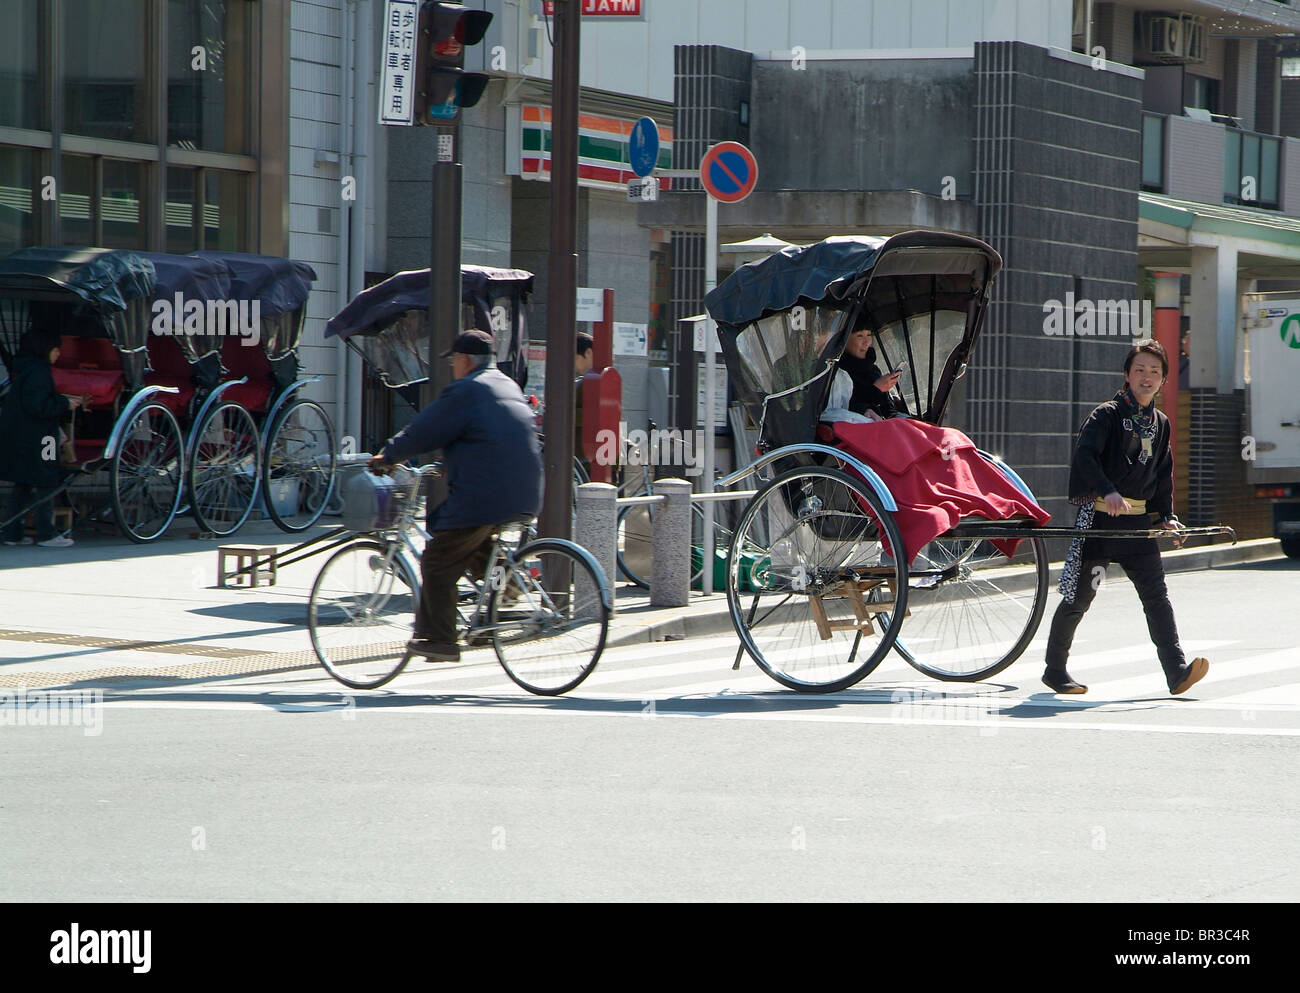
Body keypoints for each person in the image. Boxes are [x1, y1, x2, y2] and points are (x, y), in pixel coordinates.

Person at [1045, 339, 1208, 696]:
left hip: (1137, 527)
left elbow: (1163, 473)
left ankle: (1176, 671)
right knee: (1079, 597)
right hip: (1101, 524)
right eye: (1140, 370)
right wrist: (1107, 490)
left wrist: (1166, 516)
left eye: (1155, 371)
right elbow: (1085, 456)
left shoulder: (1160, 423)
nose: (1147, 377)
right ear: (1127, 375)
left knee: (1157, 597)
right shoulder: (1107, 414)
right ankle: (1055, 669)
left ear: (1163, 379)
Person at [369, 329, 543, 661]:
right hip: (525, 492)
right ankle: (500, 590)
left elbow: (426, 428)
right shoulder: (507, 385)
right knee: (462, 537)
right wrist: (451, 462)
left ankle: (439, 640)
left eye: (454, 362)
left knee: (437, 559)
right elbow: (487, 435)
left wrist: (388, 455)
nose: (453, 368)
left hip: (488, 494)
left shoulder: (467, 390)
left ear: (464, 360)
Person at [1, 327, 82, 548]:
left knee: (23, 483)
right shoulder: (39, 372)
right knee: (47, 479)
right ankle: (46, 533)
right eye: (56, 350)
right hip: (42, 438)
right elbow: (38, 406)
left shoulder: (24, 369)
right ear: (45, 349)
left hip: (20, 436)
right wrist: (65, 403)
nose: (58, 354)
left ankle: (12, 534)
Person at [822, 322, 903, 423]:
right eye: (859, 336)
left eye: (869, 335)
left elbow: (888, 410)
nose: (866, 342)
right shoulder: (837, 373)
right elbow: (841, 409)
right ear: (845, 340)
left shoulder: (873, 369)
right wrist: (877, 389)